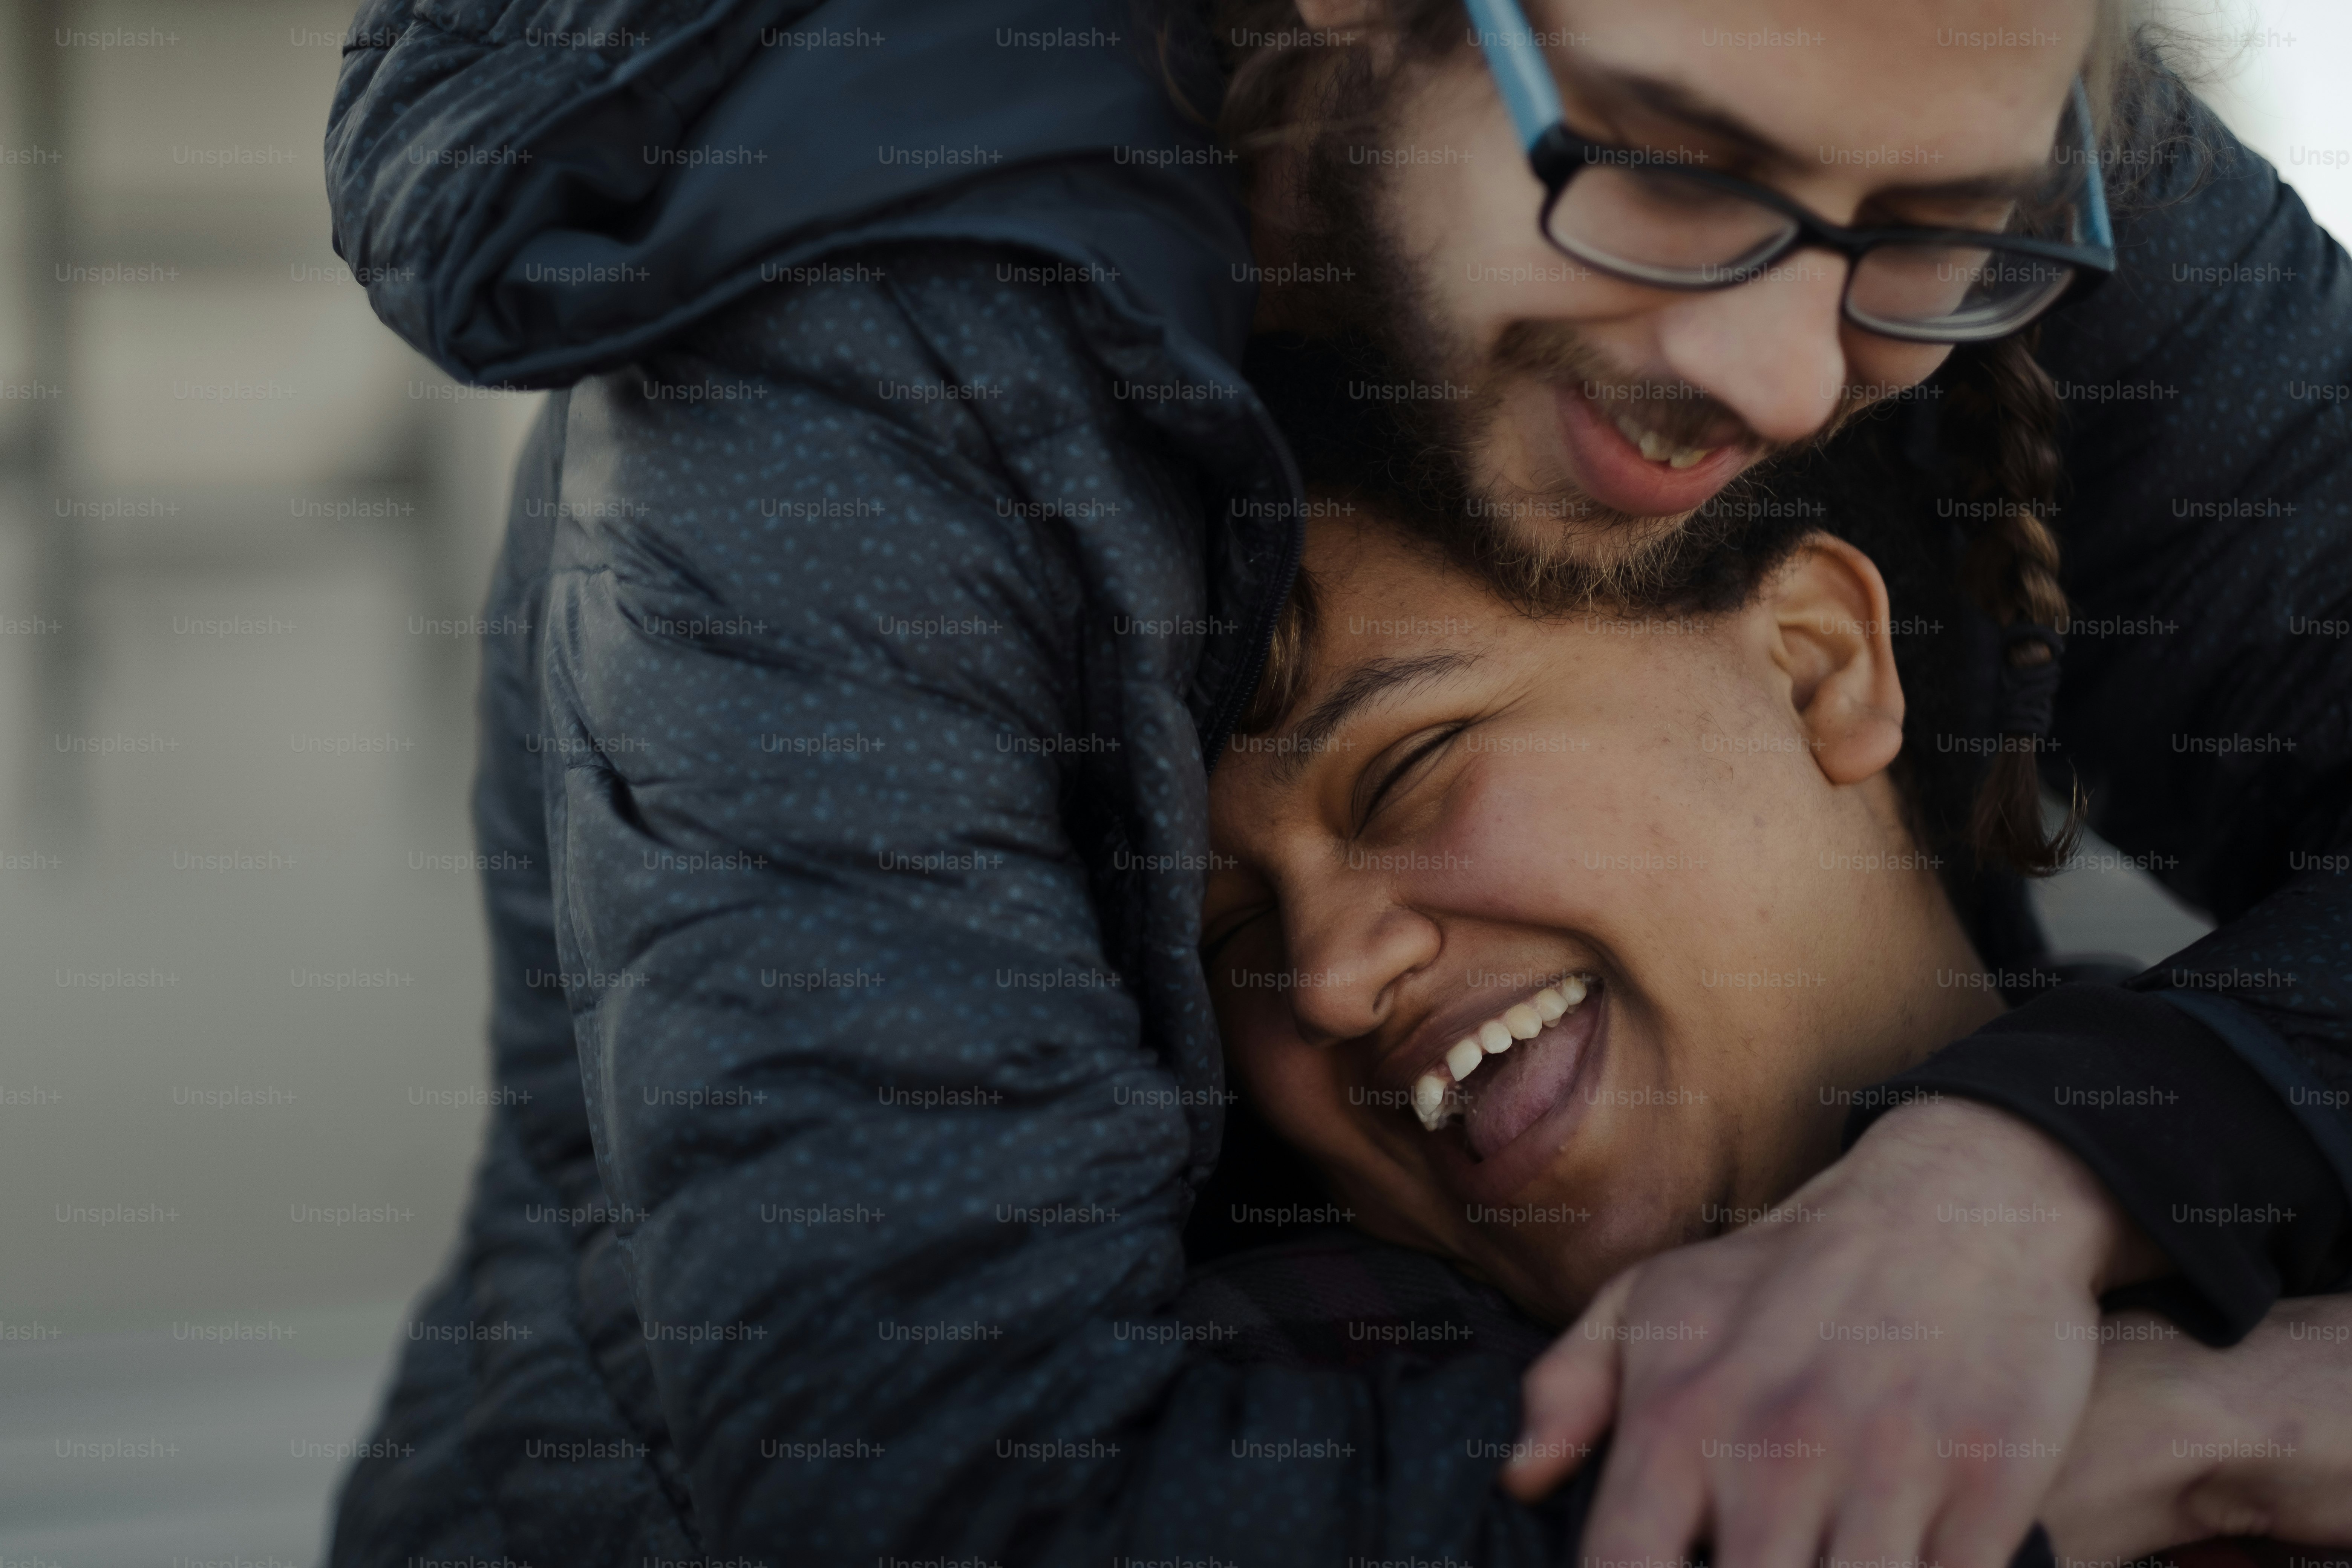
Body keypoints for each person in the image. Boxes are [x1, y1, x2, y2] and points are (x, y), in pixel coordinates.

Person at [319, 0, 2352, 1562]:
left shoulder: (1942, 77)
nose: (1789, 379)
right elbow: (952, 1474)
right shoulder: (854, 380)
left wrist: (2012, 1183)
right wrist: (2071, 1463)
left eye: (1935, 234)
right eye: (1677, 170)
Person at [1197, 500, 2352, 1564]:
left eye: (1405, 769)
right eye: (1230, 937)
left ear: (1815, 667)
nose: (1325, 983)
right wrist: (2175, 1437)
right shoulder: (1276, 1385)